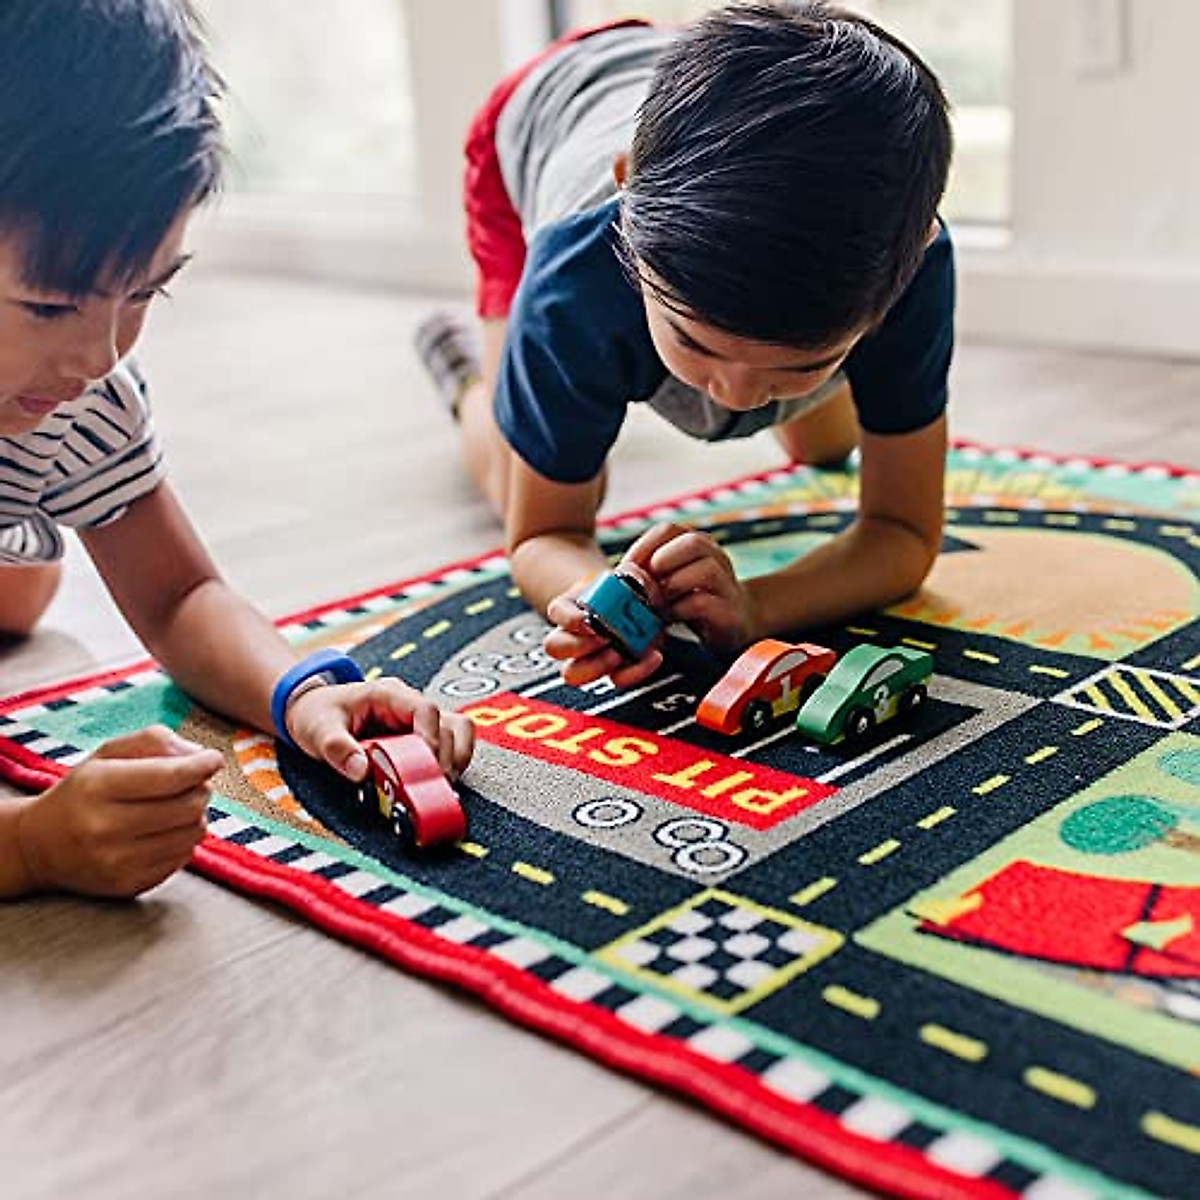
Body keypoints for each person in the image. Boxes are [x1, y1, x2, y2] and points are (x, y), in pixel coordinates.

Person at [0, 0, 474, 900]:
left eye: (145, 294)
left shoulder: (78, 391)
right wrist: (27, 845)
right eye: (52, 306)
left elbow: (180, 594)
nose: (100, 358)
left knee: (23, 588)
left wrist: (300, 693)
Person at [416, 1, 954, 690]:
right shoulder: (572, 285)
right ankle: (468, 377)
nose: (730, 392)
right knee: (513, 470)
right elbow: (541, 536)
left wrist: (757, 605)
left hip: (702, 115)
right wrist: (593, 599)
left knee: (823, 446)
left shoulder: (914, 264)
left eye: (805, 362)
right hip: (537, 115)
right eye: (696, 345)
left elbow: (903, 534)